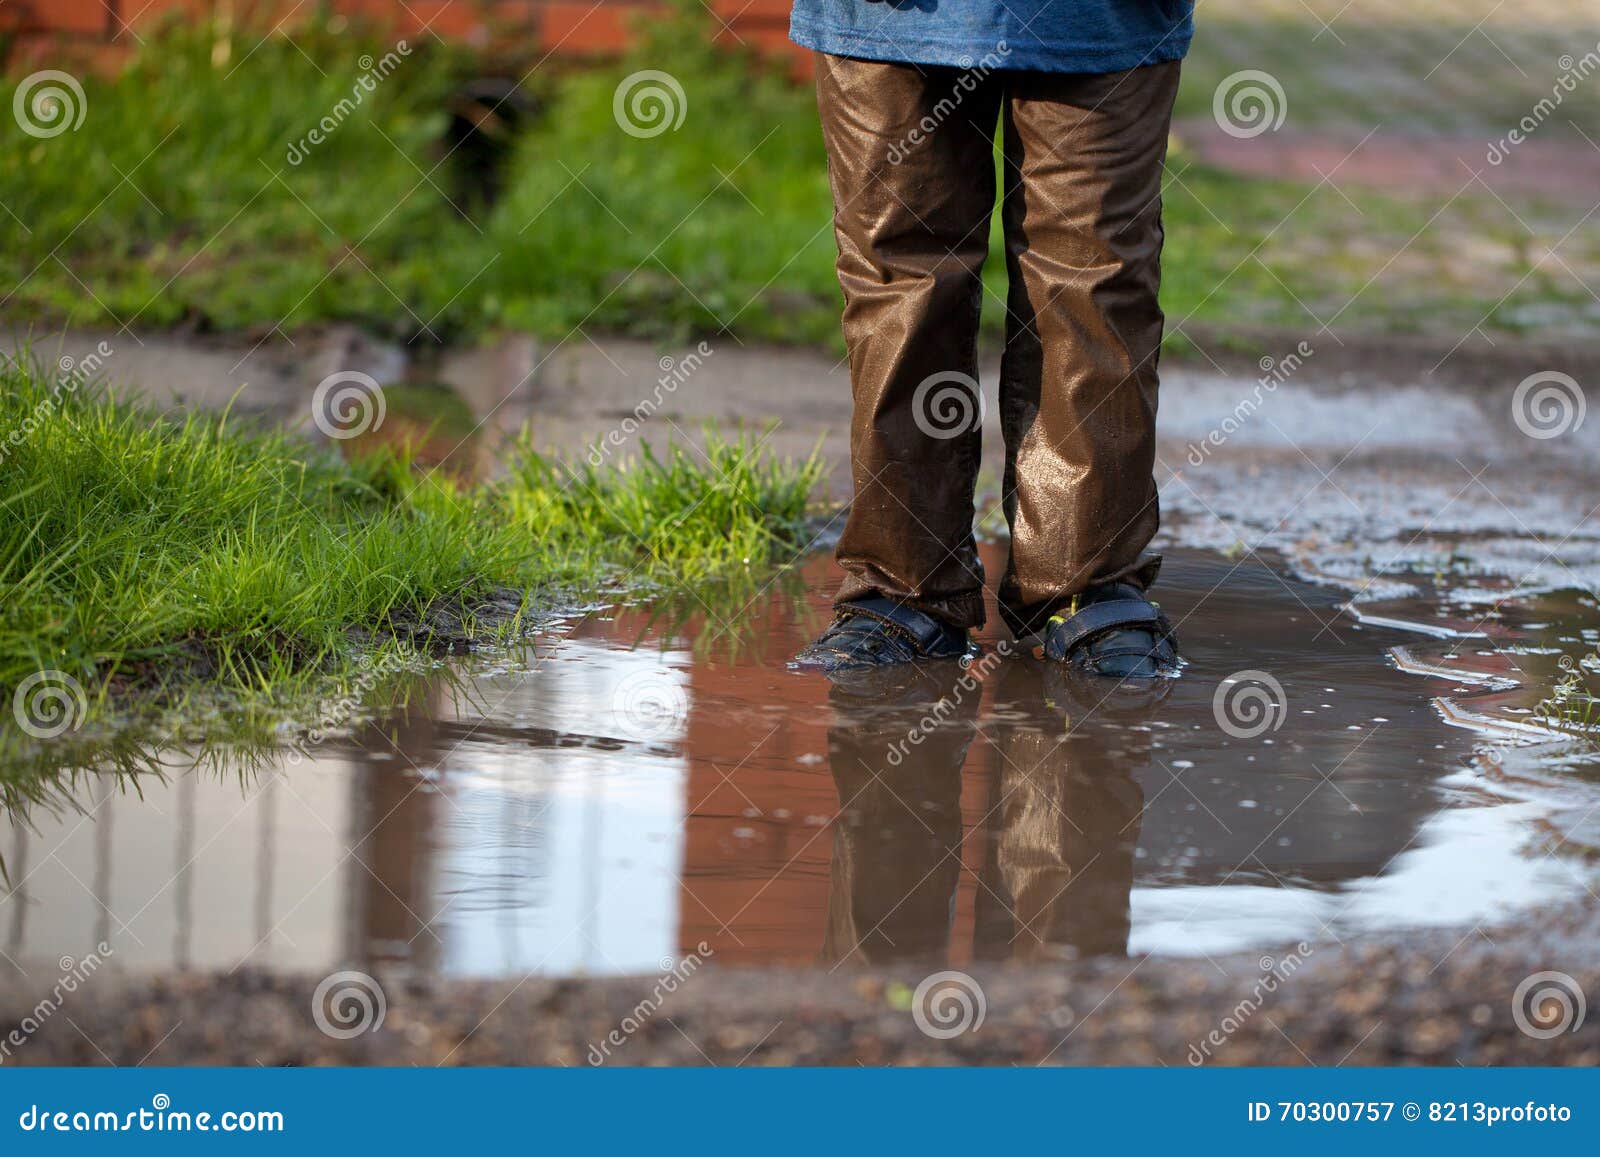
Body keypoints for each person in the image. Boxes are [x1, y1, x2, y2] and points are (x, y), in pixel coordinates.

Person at [789, 1, 1191, 679]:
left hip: (1099, 17)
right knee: (900, 278)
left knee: (1093, 277)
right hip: (886, 19)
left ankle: (1083, 582)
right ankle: (903, 583)